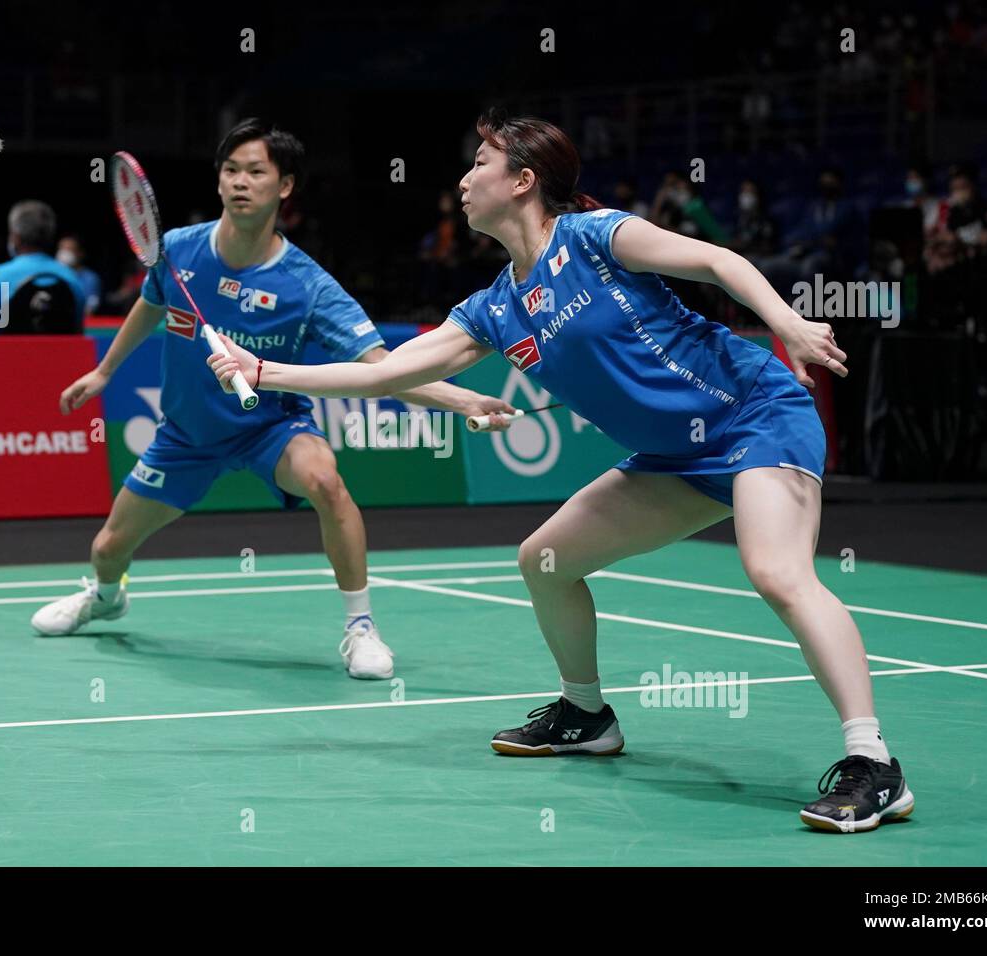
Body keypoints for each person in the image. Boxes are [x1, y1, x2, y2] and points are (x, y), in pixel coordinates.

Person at [209, 108, 914, 833]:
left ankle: (875, 765)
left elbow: (715, 261)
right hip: (674, 458)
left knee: (776, 570)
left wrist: (786, 322)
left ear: (522, 180)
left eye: (477, 164)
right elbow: (387, 374)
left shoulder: (597, 236)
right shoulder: (495, 306)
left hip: (755, 414)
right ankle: (585, 714)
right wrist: (264, 369)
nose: (462, 178)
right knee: (544, 560)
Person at [32, 118, 513, 680]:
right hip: (187, 434)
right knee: (108, 547)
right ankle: (107, 596)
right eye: (230, 170)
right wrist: (104, 372)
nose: (239, 182)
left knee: (327, 482)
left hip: (271, 428)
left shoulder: (307, 285)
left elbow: (384, 370)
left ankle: (360, 627)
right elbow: (151, 304)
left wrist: (465, 403)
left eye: (255, 171)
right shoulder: (179, 252)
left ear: (284, 186)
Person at [0, 201, 86, 334]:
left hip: (9, 355)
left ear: (16, 237)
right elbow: (78, 334)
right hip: (59, 355)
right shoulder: (71, 277)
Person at [57, 235, 103, 315]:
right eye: (62, 249)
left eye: (69, 250)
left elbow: (91, 306)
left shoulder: (90, 278)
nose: (64, 253)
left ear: (81, 253)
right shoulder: (54, 275)